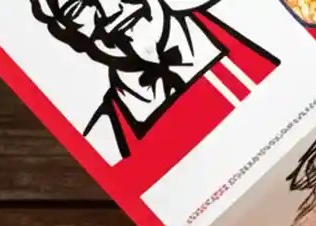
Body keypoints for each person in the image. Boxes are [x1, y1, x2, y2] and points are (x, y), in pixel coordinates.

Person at [31, 0, 279, 162]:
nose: (110, 10)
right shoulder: (106, 142)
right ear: (69, 35)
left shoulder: (269, 26)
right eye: (79, 6)